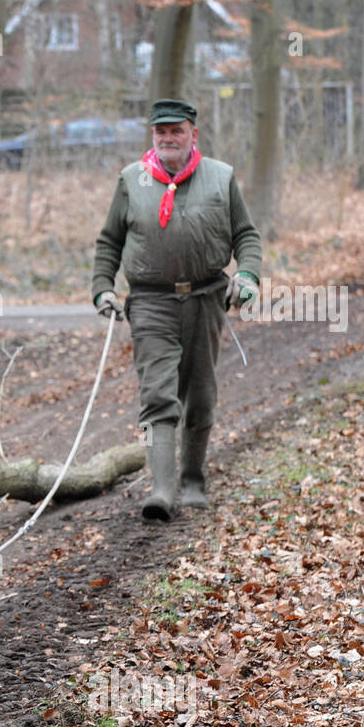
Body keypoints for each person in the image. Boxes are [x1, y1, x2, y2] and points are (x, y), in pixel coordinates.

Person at [90, 98, 262, 520]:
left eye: (177, 131)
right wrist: (101, 289)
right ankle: (162, 490)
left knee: (201, 396)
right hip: (149, 302)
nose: (168, 138)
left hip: (206, 299)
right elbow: (109, 241)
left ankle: (193, 481)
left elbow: (248, 236)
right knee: (158, 396)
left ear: (192, 134)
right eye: (161, 132)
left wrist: (248, 277)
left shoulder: (221, 178)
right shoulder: (132, 180)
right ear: (153, 135)